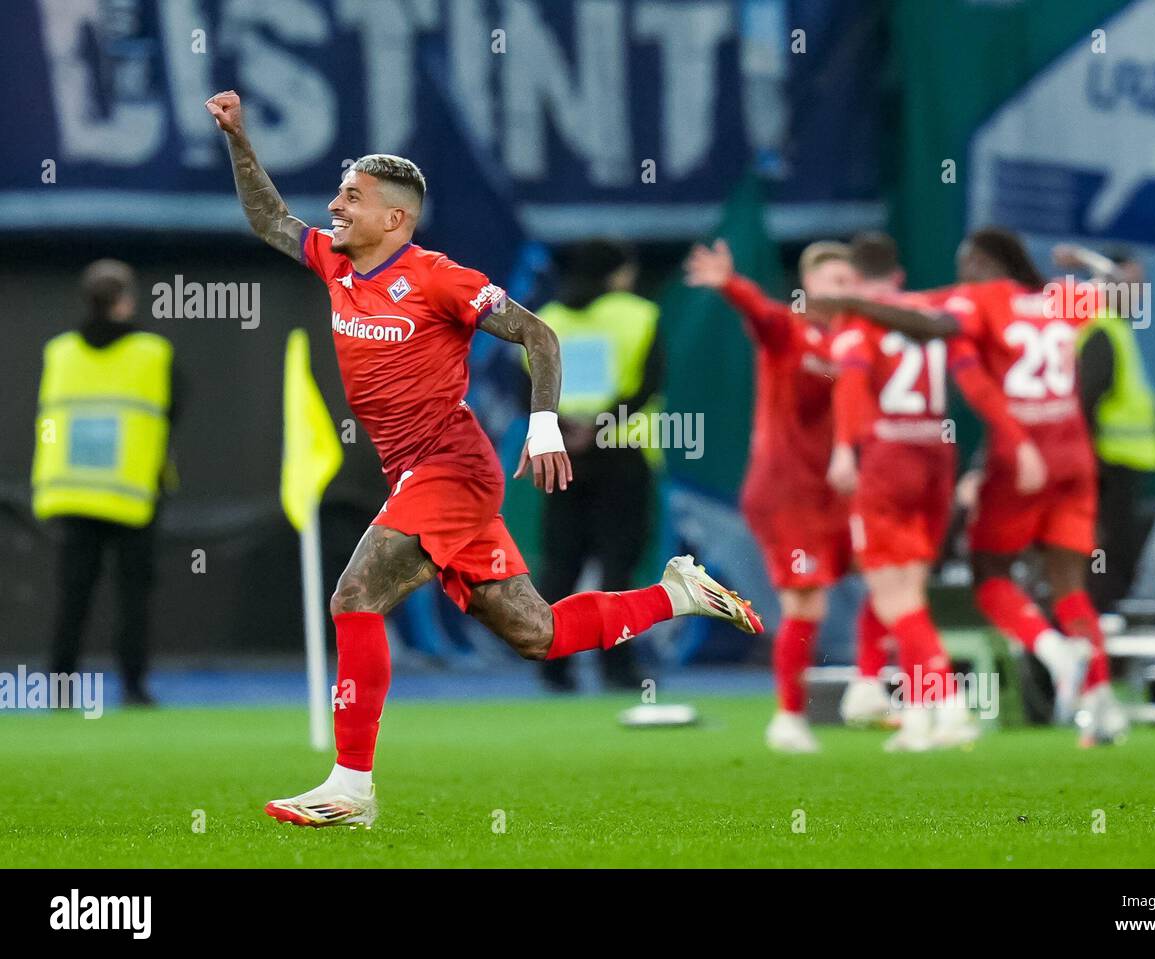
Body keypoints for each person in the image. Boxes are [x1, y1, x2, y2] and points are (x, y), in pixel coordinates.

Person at [205, 90, 761, 829]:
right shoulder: (335, 266)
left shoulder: (438, 276)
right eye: (338, 194)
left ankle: (351, 786)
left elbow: (540, 337)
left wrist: (542, 427)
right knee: (540, 634)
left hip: (453, 465)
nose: (334, 207)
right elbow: (269, 219)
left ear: (394, 219)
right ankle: (678, 594)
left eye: (351, 197)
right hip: (415, 474)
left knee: (354, 596)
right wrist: (241, 138)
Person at [812, 228, 1128, 747]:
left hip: (1010, 455)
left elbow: (935, 328)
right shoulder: (1054, 299)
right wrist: (1089, 261)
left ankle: (1041, 659)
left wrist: (853, 304)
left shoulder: (976, 300)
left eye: (965, 264)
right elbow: (1118, 288)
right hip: (1073, 456)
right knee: (1070, 585)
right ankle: (1101, 706)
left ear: (982, 263)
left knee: (985, 574)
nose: (960, 275)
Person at [826, 232, 1006, 750]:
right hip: (935, 455)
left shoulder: (861, 319)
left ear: (856, 280)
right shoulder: (928, 305)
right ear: (899, 275)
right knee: (909, 595)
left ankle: (948, 707)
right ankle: (918, 716)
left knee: (893, 596)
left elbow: (854, 384)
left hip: (886, 458)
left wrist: (843, 449)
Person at [684, 238, 859, 753]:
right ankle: (788, 718)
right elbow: (762, 316)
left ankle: (877, 691)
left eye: (850, 282)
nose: (843, 291)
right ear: (809, 288)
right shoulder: (791, 331)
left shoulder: (861, 341)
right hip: (786, 492)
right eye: (832, 281)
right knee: (806, 602)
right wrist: (732, 285)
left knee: (893, 578)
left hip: (839, 491)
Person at [34, 259, 177, 707]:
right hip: (132, 495)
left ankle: (59, 691)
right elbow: (174, 411)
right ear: (125, 300)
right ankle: (133, 689)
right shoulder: (152, 352)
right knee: (133, 598)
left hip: (71, 494)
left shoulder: (59, 351)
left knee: (73, 597)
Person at [532, 240, 662, 693]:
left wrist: (564, 428)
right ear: (617, 273)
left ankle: (552, 665)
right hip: (622, 454)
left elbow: (522, 385)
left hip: (559, 454)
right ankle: (618, 668)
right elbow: (649, 383)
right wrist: (600, 426)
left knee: (560, 565)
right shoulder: (639, 315)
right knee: (618, 567)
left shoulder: (545, 318)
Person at [1057, 245, 1155, 613]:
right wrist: (1085, 461)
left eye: (1140, 283)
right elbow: (1084, 400)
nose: (1137, 291)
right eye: (1129, 282)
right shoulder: (1101, 329)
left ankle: (1103, 614)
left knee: (1116, 547)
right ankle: (1097, 619)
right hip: (1106, 461)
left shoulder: (1114, 328)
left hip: (1119, 462)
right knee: (1105, 548)